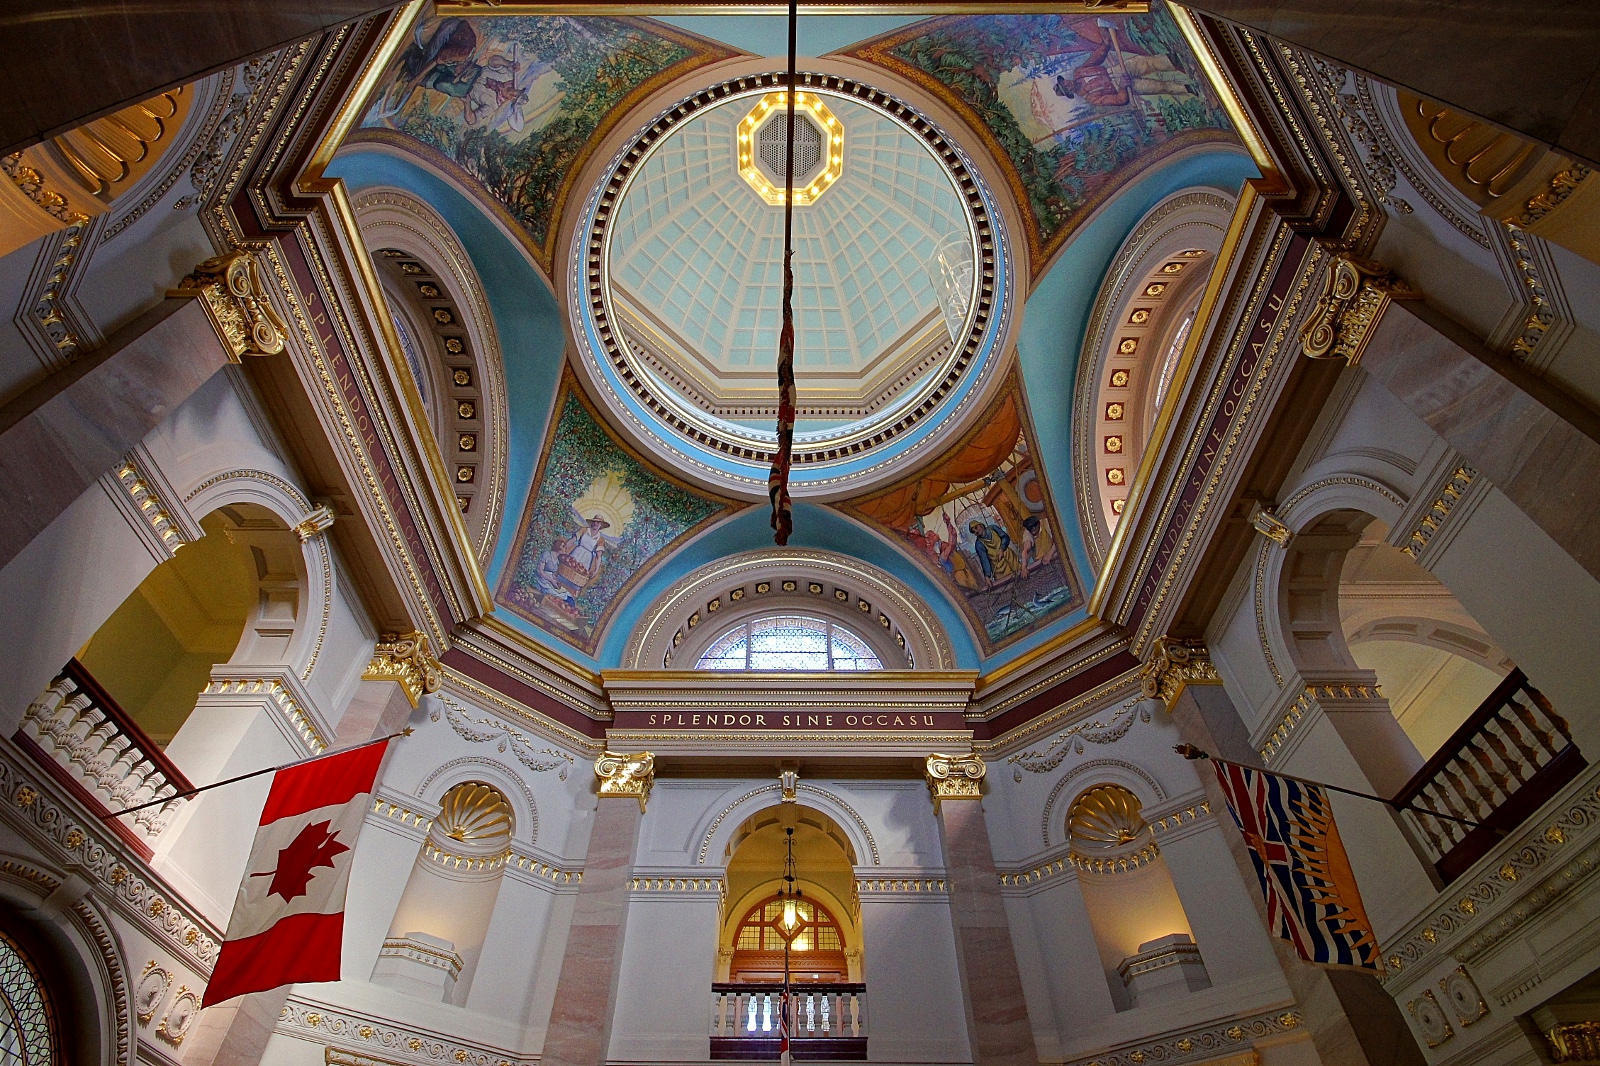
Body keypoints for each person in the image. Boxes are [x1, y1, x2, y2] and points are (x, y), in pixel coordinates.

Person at [969, 519, 1021, 587]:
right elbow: (984, 559)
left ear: (981, 525)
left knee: (1021, 573)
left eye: (976, 527)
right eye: (973, 531)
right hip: (998, 566)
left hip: (1009, 557)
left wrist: (1002, 548)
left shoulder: (993, 528)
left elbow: (1005, 537)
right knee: (1008, 585)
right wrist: (987, 576)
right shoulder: (979, 544)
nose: (976, 531)